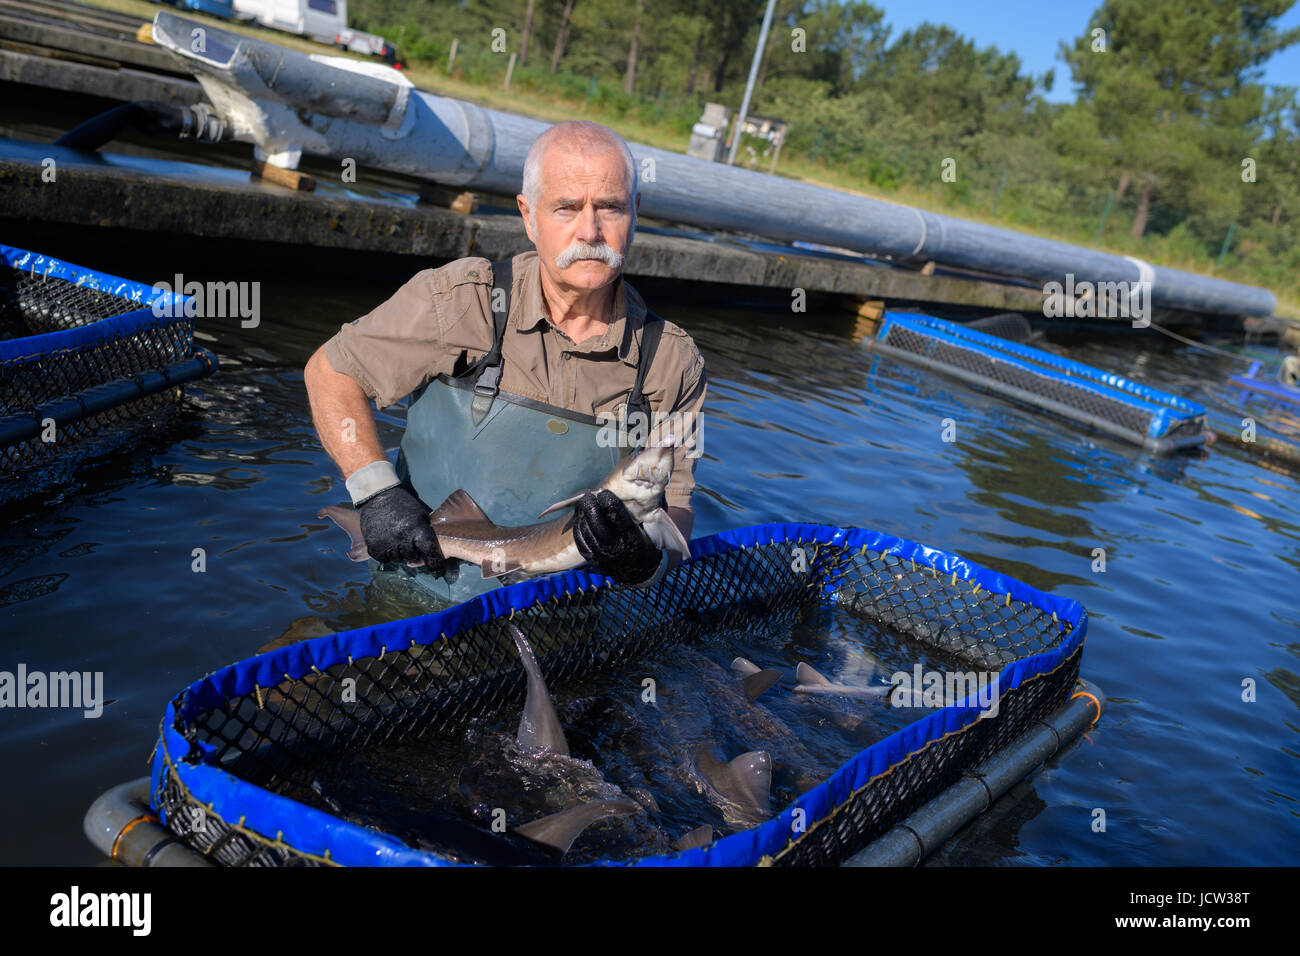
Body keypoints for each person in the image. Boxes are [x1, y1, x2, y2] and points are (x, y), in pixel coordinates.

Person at [304, 121, 706, 605]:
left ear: (636, 213)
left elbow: (677, 506)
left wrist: (643, 561)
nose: (590, 231)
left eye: (611, 207)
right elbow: (331, 373)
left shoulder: (672, 360)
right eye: (566, 208)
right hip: (413, 597)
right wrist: (375, 493)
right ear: (528, 215)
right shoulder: (461, 301)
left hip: (562, 621)